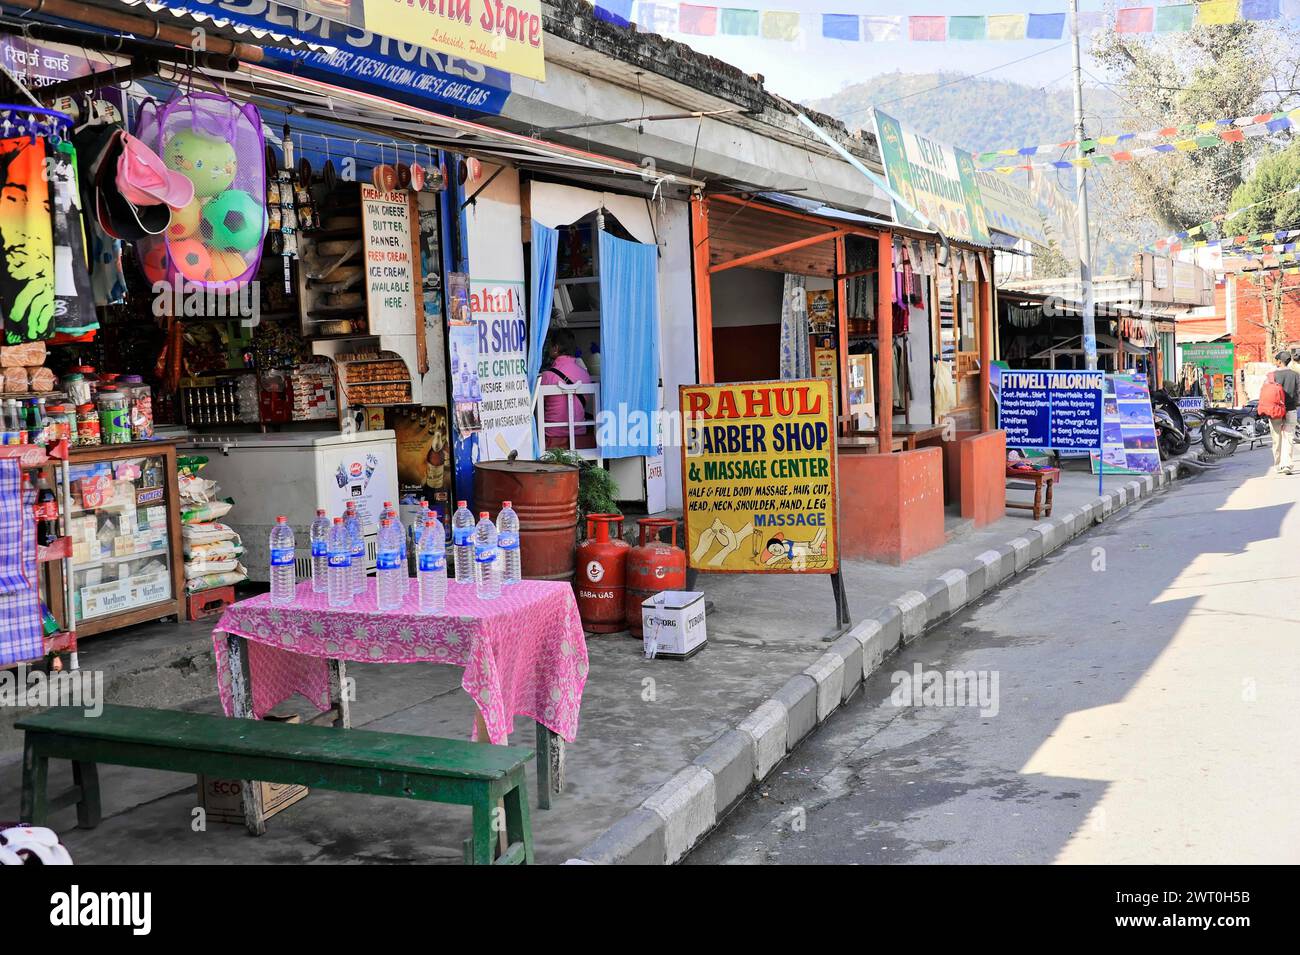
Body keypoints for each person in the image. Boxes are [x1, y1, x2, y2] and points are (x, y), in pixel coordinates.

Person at [539, 329, 594, 449]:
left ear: (556, 348)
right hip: (579, 435)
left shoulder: (547, 376)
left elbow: (539, 406)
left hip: (552, 437)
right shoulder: (584, 374)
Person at [1267, 349, 1300, 475]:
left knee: (1277, 438)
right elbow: (1298, 393)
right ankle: (1287, 464)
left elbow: (1267, 393)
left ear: (1279, 362)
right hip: (1291, 409)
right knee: (1289, 437)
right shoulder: (1295, 375)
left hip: (1275, 411)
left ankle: (1278, 465)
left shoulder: (1272, 375)